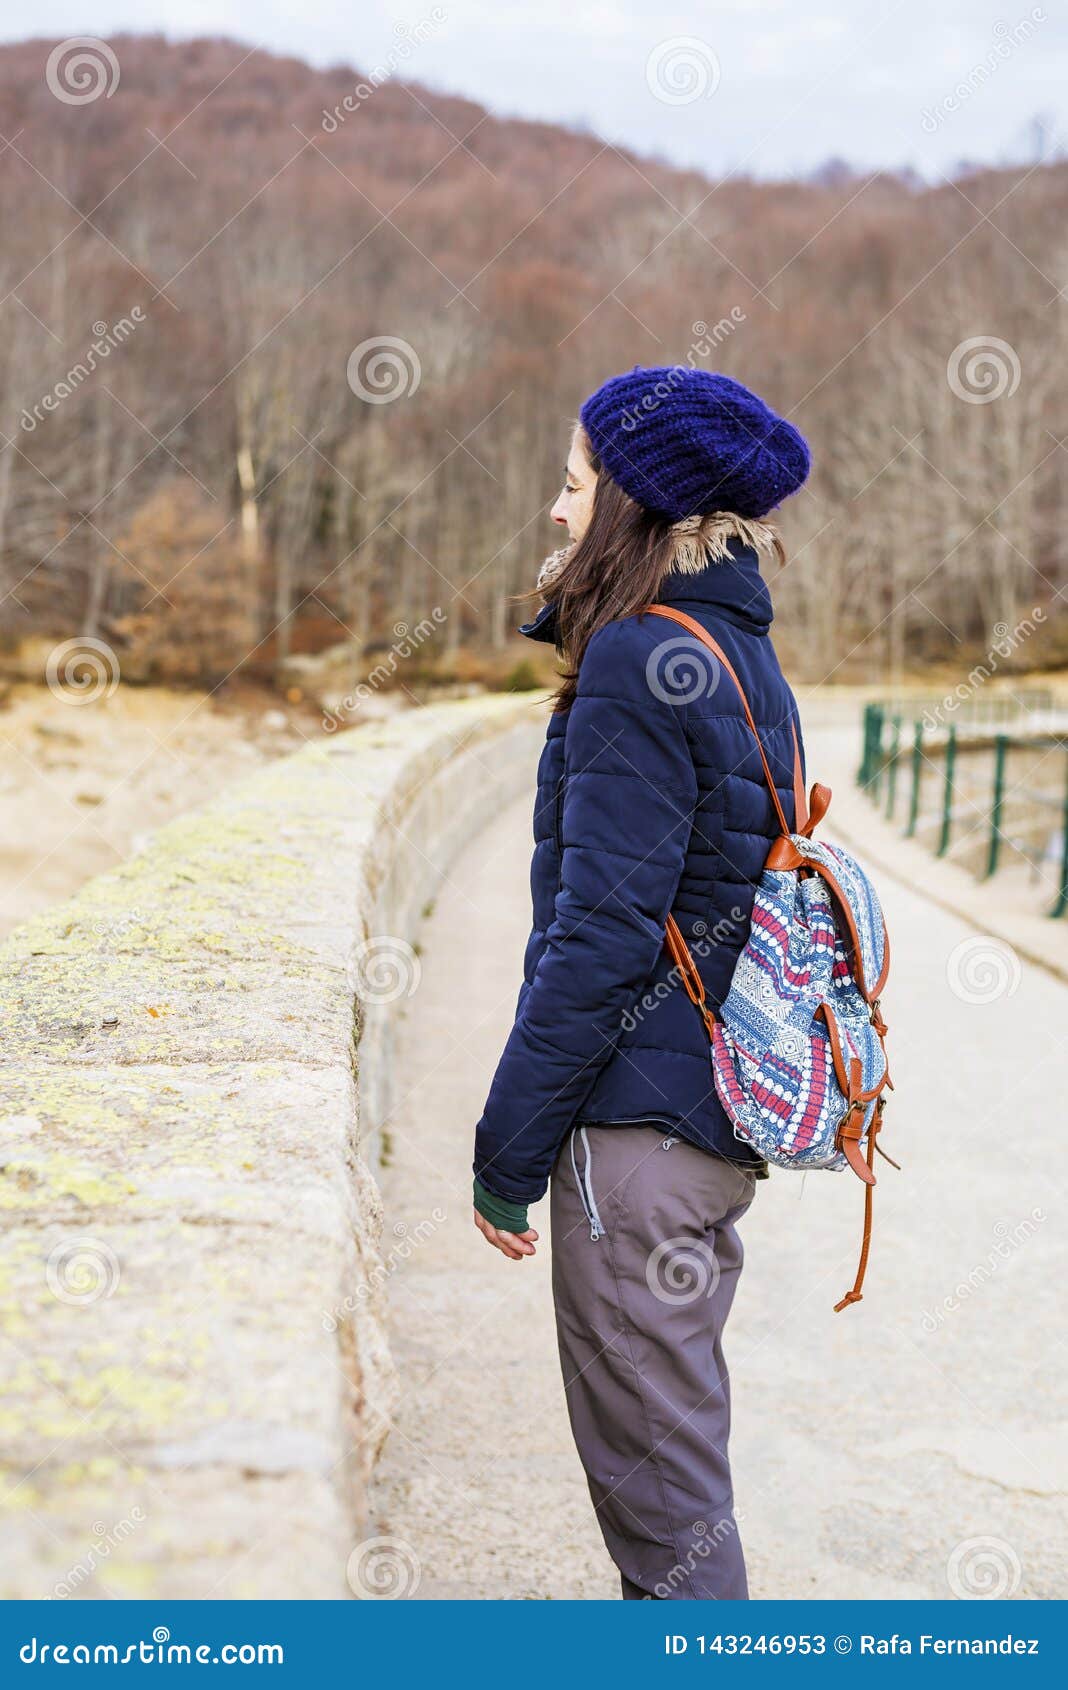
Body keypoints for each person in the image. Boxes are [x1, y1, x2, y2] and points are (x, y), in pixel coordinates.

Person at [471, 365, 810, 1600]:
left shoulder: (633, 663)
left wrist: (505, 1155)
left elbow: (602, 937)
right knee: (676, 1488)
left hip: (636, 1141)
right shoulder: (740, 654)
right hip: (709, 1132)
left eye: (575, 486)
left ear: (634, 504)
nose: (560, 512)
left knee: (666, 1528)